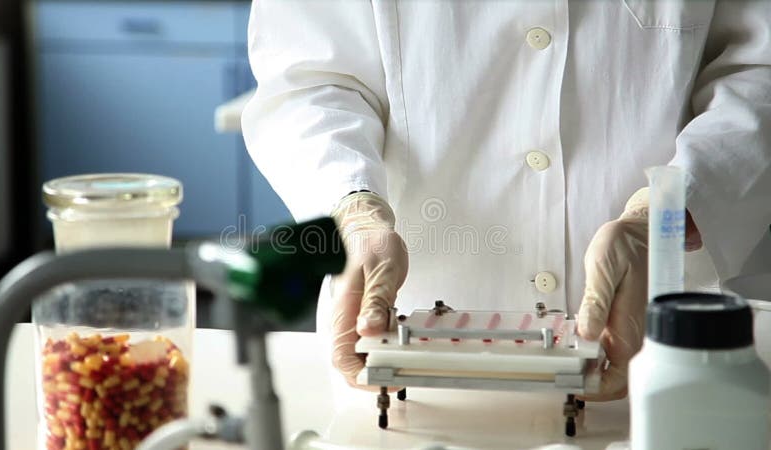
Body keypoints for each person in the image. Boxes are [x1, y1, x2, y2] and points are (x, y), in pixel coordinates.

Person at [242, 1, 771, 401]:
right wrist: (354, 210)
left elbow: (758, 69)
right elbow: (310, 81)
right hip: (407, 356)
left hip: (667, 350)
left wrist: (663, 217)